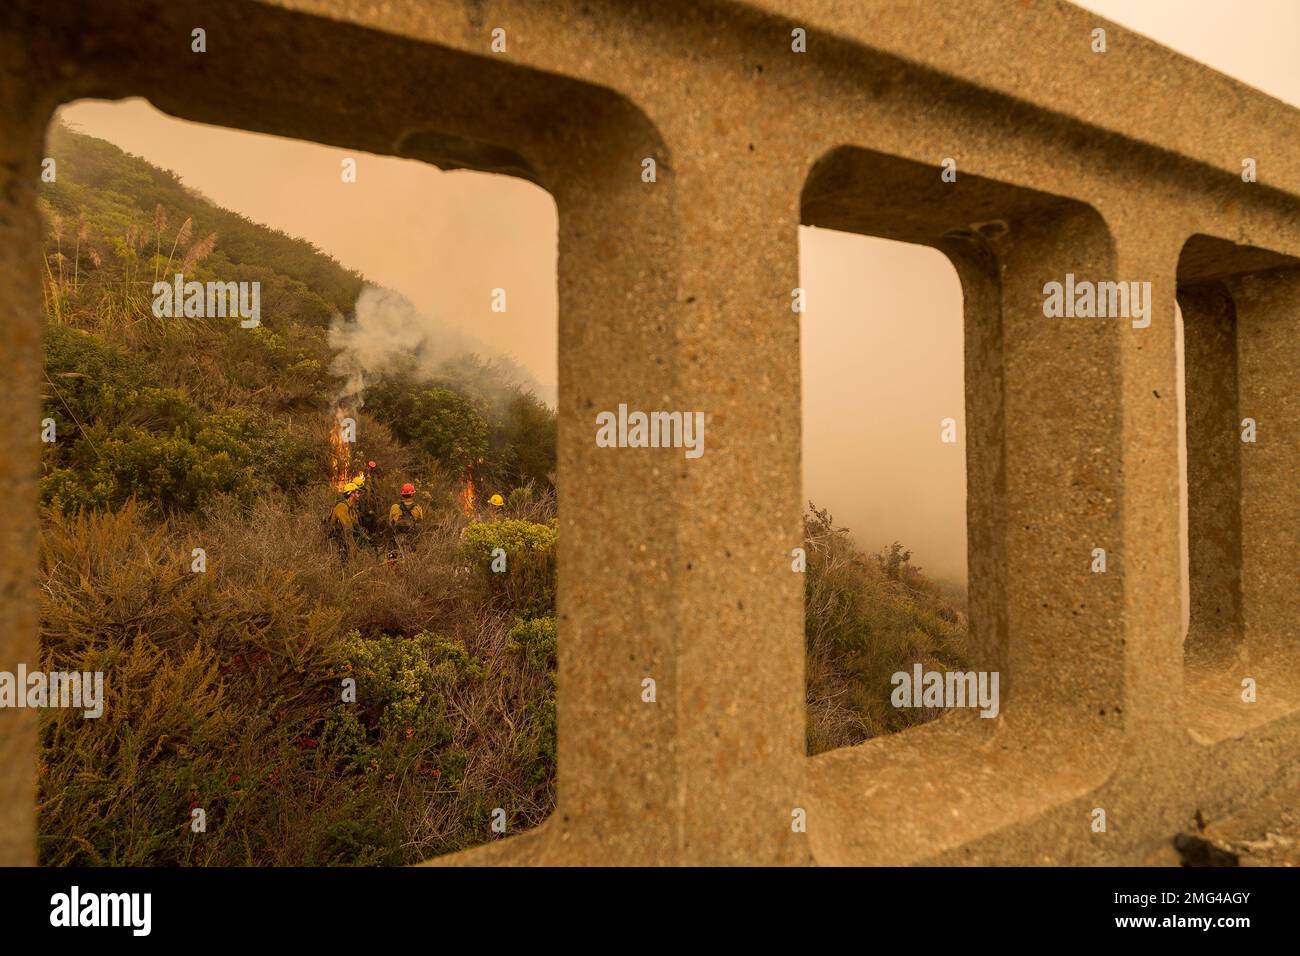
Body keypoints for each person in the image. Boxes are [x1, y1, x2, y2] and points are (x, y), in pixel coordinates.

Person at [329, 482, 365, 556]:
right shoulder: (341, 507)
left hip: (343, 542)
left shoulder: (351, 509)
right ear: (351, 494)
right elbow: (348, 529)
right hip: (336, 545)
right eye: (357, 492)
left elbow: (356, 526)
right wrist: (353, 550)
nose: (359, 495)